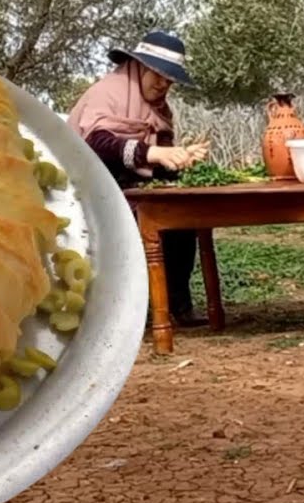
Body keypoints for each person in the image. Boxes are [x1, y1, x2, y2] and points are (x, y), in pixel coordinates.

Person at [66, 31, 212, 328]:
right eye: (158, 75)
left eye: (169, 80)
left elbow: (156, 163)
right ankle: (119, 313)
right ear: (138, 66)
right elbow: (96, 144)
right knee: (132, 228)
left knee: (181, 220)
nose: (163, 85)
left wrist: (179, 159)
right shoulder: (107, 93)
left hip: (132, 188)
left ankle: (176, 304)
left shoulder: (161, 111)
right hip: (87, 189)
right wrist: (154, 153)